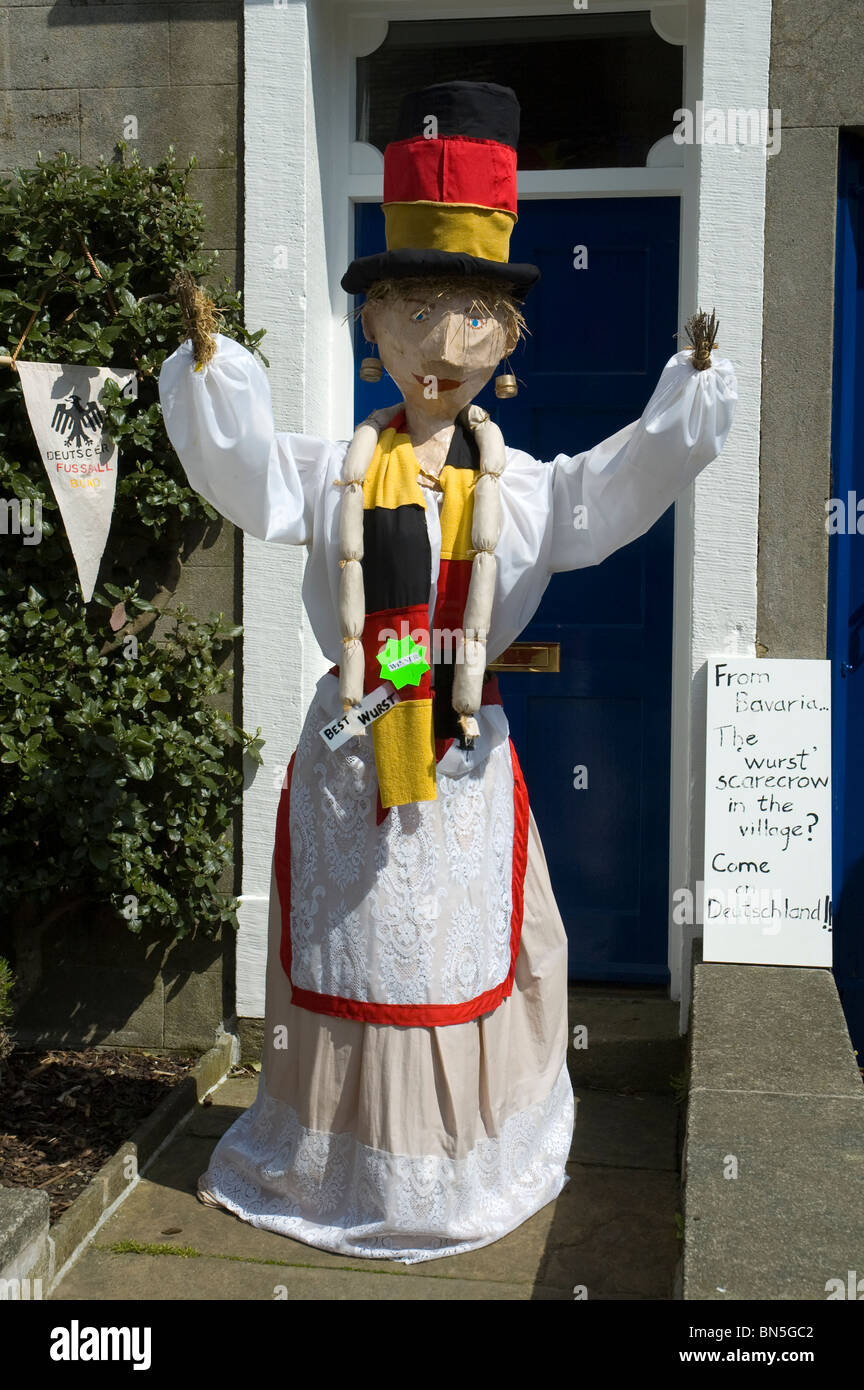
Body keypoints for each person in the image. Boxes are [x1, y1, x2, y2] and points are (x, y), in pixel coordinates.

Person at [158, 81, 737, 1263]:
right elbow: (246, 466)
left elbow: (604, 492)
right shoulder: (332, 470)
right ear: (375, 329)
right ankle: (337, 1160)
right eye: (417, 312)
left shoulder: (519, 488)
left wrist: (685, 410)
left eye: (474, 318)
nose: (444, 344)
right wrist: (211, 378)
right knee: (357, 957)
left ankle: (459, 1158)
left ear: (507, 337)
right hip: (351, 746)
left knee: (448, 958)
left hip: (460, 758)